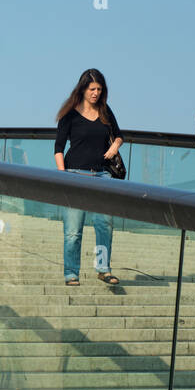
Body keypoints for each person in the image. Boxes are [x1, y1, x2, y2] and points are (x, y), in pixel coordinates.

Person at [54, 68, 123, 287]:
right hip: (74, 175)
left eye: (99, 89)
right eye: (92, 89)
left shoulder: (105, 111)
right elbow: (58, 147)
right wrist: (62, 175)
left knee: (105, 225)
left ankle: (103, 269)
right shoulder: (70, 113)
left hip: (102, 175)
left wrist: (114, 147)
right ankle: (71, 273)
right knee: (73, 231)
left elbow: (120, 135)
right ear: (83, 88)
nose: (96, 93)